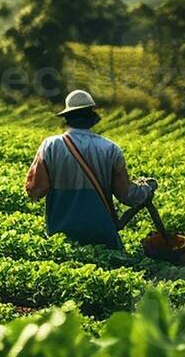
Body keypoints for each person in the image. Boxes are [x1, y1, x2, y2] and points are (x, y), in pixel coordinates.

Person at [24, 89, 156, 249]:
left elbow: (35, 190)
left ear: (66, 118)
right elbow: (126, 195)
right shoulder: (111, 149)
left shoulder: (50, 146)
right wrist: (146, 188)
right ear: (93, 117)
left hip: (63, 239)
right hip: (102, 237)